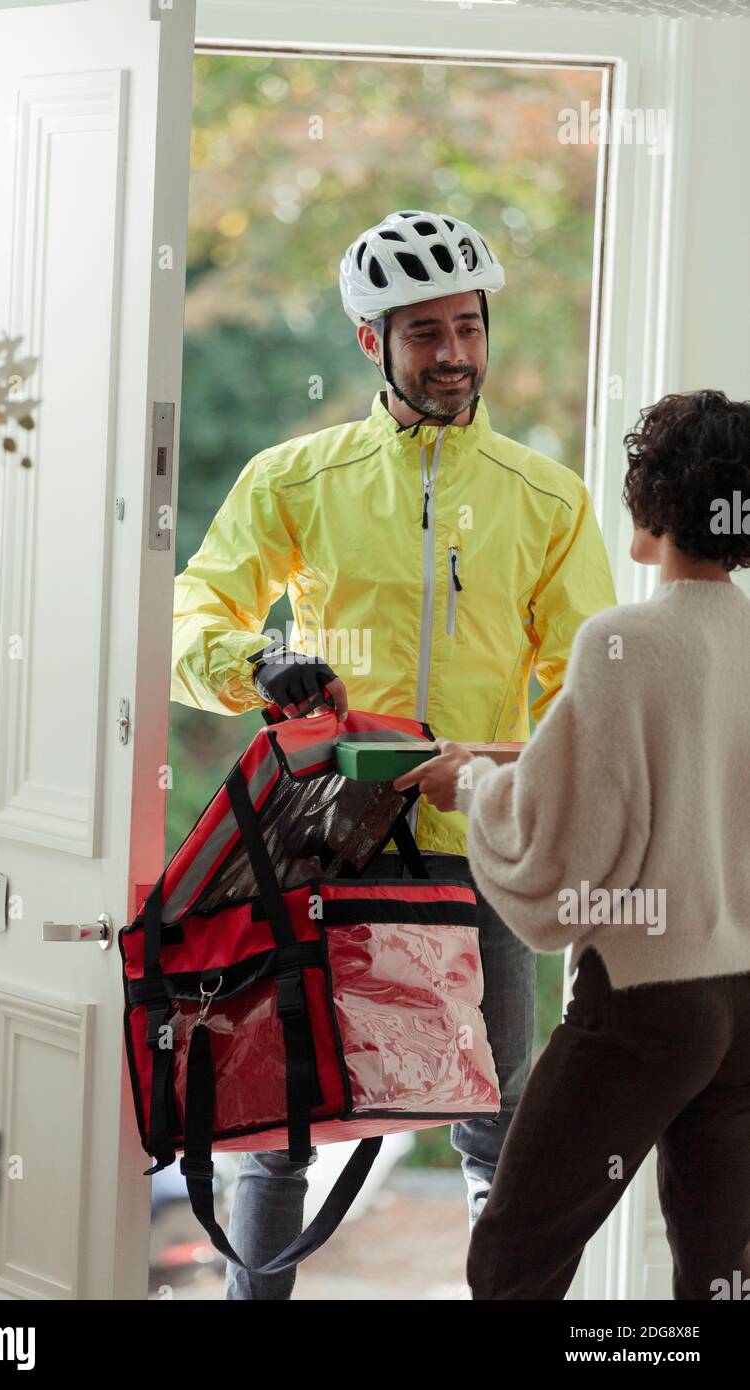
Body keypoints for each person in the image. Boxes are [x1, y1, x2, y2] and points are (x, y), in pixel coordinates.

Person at [170, 208, 617, 1299]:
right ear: (369, 342)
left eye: (466, 326)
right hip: (326, 847)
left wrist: (525, 792)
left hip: (482, 853)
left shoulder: (543, 499)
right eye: (423, 333)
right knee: (276, 1118)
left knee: (496, 1122)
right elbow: (188, 620)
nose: (453, 354)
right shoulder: (294, 480)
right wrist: (258, 662)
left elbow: (584, 695)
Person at [395, 389, 750, 1300]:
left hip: (646, 1004)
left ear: (653, 506)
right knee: (722, 1273)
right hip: (742, 1005)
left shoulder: (623, 641)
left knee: (514, 1256)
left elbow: (557, 844)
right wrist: (513, 756)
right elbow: (671, 768)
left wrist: (468, 783)